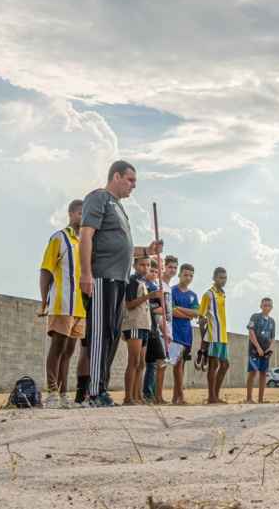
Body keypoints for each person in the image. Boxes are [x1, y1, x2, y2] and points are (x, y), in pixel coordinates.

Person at [79, 161, 160, 406]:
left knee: (113, 335)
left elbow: (123, 248)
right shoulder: (99, 198)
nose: (133, 186)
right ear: (116, 176)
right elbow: (86, 236)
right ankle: (93, 391)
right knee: (101, 333)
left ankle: (101, 388)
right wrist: (86, 274)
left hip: (120, 280)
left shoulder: (120, 209)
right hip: (103, 276)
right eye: (130, 180)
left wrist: (147, 249)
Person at [39, 199, 86, 409]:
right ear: (71, 214)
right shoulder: (60, 238)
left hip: (80, 307)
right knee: (57, 347)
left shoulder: (85, 243)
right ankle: (51, 393)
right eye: (80, 213)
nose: (83, 218)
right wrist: (43, 301)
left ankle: (64, 394)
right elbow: (46, 270)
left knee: (69, 351)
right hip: (62, 302)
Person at [122, 256, 158, 405]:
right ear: (135, 265)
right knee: (133, 361)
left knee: (142, 363)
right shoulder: (131, 281)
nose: (145, 268)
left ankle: (138, 395)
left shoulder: (144, 283)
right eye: (142, 265)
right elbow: (129, 304)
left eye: (148, 265)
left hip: (145, 325)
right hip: (134, 324)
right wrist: (148, 296)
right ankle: (128, 397)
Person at [199, 267, 229, 404]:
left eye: (225, 278)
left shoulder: (222, 294)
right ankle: (211, 397)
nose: (223, 280)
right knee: (213, 365)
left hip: (222, 336)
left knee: (225, 365)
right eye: (220, 277)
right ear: (214, 278)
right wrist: (203, 341)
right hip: (212, 335)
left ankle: (215, 395)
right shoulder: (208, 294)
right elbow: (201, 317)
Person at [171, 263, 199, 404]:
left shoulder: (193, 295)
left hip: (187, 333)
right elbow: (172, 311)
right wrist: (188, 314)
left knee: (182, 365)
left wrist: (181, 310)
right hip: (174, 332)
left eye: (191, 275)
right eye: (186, 274)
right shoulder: (172, 291)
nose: (188, 278)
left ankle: (175, 397)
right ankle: (181, 396)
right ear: (179, 275)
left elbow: (196, 313)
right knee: (177, 363)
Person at [155, 255, 178, 404]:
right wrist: (163, 329)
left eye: (175, 267)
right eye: (170, 267)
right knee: (160, 363)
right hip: (159, 327)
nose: (173, 270)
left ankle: (158, 395)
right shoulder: (159, 284)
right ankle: (157, 396)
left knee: (163, 364)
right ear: (164, 267)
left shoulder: (169, 287)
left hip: (168, 326)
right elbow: (156, 309)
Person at [142, 258, 166, 402]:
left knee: (152, 363)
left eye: (157, 271)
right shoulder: (145, 285)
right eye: (152, 270)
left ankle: (149, 392)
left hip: (154, 328)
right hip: (146, 327)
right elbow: (152, 307)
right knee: (156, 360)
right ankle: (148, 393)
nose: (154, 273)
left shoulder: (155, 287)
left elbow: (161, 309)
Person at [246, 297, 276, 404]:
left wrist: (270, 348)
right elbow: (251, 332)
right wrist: (258, 347)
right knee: (253, 372)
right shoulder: (255, 317)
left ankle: (260, 400)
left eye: (269, 305)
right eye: (265, 305)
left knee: (263, 373)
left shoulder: (272, 321)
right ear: (261, 306)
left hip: (265, 351)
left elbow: (273, 338)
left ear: (271, 307)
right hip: (254, 350)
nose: (267, 307)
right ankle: (249, 398)